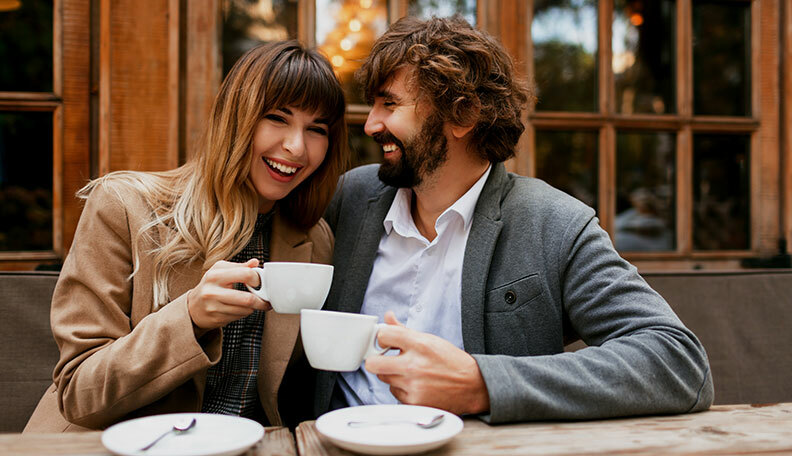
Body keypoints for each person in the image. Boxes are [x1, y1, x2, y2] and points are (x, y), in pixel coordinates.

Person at [317, 15, 713, 423]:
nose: (370, 125)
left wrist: (483, 384)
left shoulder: (554, 224)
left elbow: (678, 361)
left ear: (463, 114)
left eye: (390, 104)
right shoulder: (350, 197)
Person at [25, 41, 349, 432]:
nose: (297, 147)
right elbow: (79, 393)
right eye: (277, 118)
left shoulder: (313, 240)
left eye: (317, 129)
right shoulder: (124, 207)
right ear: (236, 118)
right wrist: (190, 319)